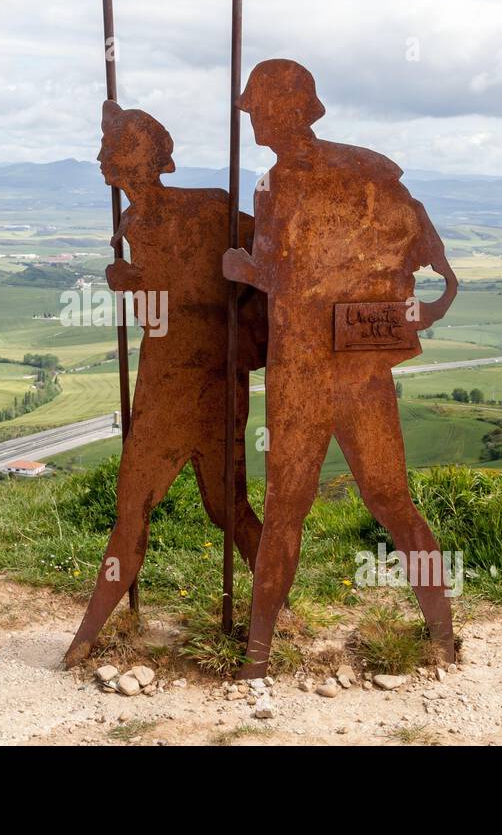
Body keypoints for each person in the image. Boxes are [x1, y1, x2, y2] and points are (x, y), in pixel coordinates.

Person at [221, 59, 459, 677]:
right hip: (358, 367)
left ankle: (257, 656)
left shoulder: (276, 186)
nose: (253, 119)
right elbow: (429, 256)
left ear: (289, 110)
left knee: (287, 508)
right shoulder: (365, 167)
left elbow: (282, 280)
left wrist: (240, 268)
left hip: (304, 369)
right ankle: (442, 636)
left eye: (260, 109)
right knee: (392, 502)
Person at [64, 101, 267, 668]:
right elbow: (159, 305)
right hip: (160, 384)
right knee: (133, 507)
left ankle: (273, 610)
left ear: (152, 159)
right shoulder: (129, 226)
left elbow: (267, 258)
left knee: (227, 510)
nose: (106, 155)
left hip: (215, 379)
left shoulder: (210, 210)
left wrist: (237, 295)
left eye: (121, 146)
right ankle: (86, 638)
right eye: (108, 146)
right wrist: (126, 280)